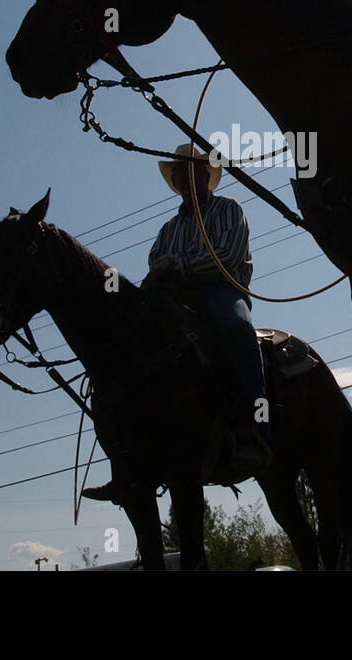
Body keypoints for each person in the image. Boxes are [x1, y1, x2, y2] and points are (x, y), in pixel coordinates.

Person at [148, 144, 272, 475]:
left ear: (206, 176)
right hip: (177, 299)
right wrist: (166, 272)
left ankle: (254, 428)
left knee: (234, 328)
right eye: (180, 172)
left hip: (222, 290)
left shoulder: (229, 210)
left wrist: (178, 266)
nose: (186, 177)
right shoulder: (167, 229)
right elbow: (154, 261)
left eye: (193, 171)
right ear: (175, 180)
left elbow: (226, 259)